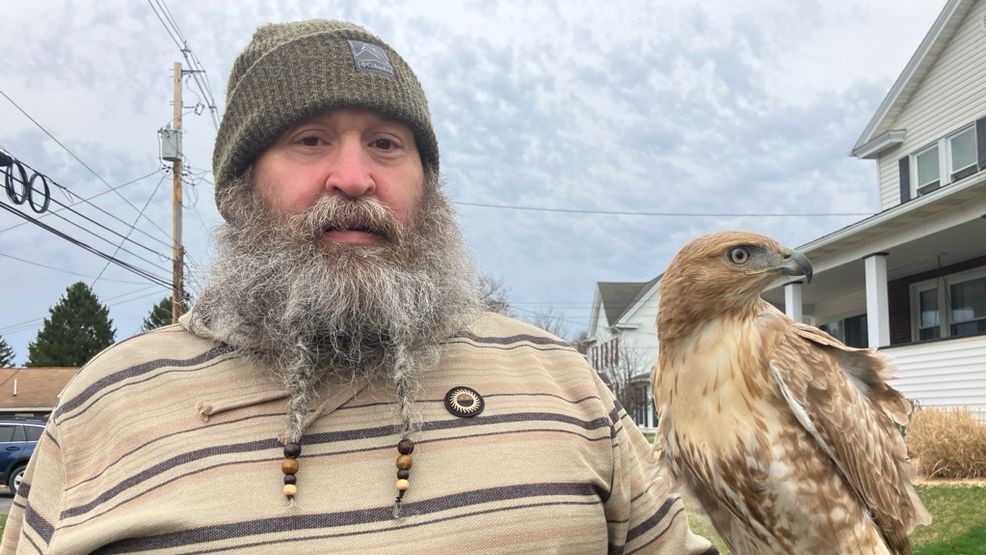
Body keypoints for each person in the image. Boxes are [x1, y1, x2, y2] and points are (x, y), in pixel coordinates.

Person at [1, 20, 716, 554]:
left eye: (385, 143)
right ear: (240, 186)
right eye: (310, 140)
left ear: (427, 186)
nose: (352, 176)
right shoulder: (103, 409)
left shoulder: (563, 384)